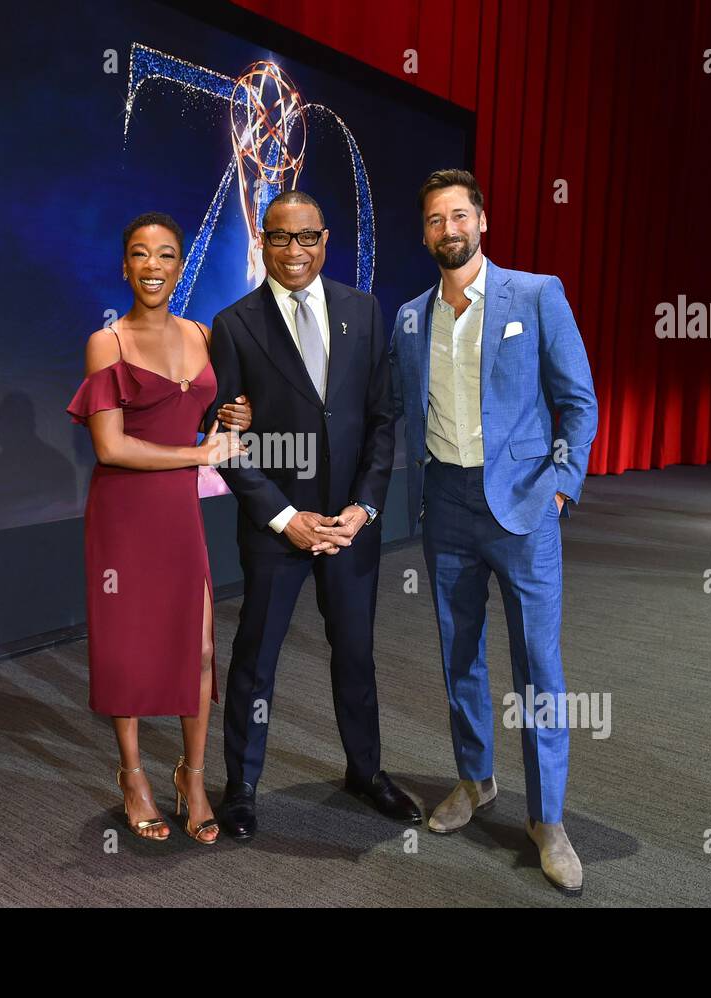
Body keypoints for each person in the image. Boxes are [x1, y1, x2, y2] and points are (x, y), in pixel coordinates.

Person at [389, 169, 597, 895]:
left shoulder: (537, 295)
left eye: (459, 215)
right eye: (435, 220)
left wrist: (561, 490)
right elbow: (397, 410)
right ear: (424, 234)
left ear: (483, 221)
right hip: (445, 504)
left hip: (524, 508)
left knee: (539, 668)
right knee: (460, 658)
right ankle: (475, 782)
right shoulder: (412, 317)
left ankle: (549, 821)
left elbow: (579, 403)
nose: (449, 229)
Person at [208, 191, 421, 841]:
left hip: (351, 528)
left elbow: (385, 420)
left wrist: (364, 506)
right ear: (262, 243)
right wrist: (283, 517)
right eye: (279, 238)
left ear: (326, 242)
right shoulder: (234, 324)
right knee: (256, 659)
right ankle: (242, 787)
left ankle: (365, 771)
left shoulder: (364, 309)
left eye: (306, 239)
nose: (294, 251)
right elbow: (223, 439)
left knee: (355, 654)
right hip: (278, 530)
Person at [67, 212, 252, 843]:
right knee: (128, 648)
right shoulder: (107, 343)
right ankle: (133, 777)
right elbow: (111, 448)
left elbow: (214, 418)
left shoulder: (204, 333)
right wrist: (201, 456)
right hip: (123, 516)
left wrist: (233, 417)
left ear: (180, 265)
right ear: (125, 267)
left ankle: (192, 777)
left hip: (179, 515)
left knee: (197, 648)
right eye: (140, 254)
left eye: (165, 254)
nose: (152, 265)